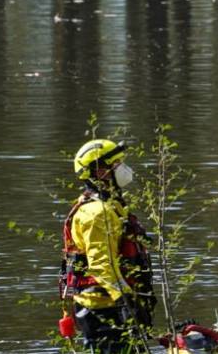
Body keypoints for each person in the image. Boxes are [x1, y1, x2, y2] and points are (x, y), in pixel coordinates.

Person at [61, 139, 154, 352]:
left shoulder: (109, 207)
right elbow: (102, 264)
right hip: (103, 309)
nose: (124, 169)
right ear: (101, 171)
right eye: (117, 164)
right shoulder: (96, 214)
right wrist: (125, 300)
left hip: (110, 304)